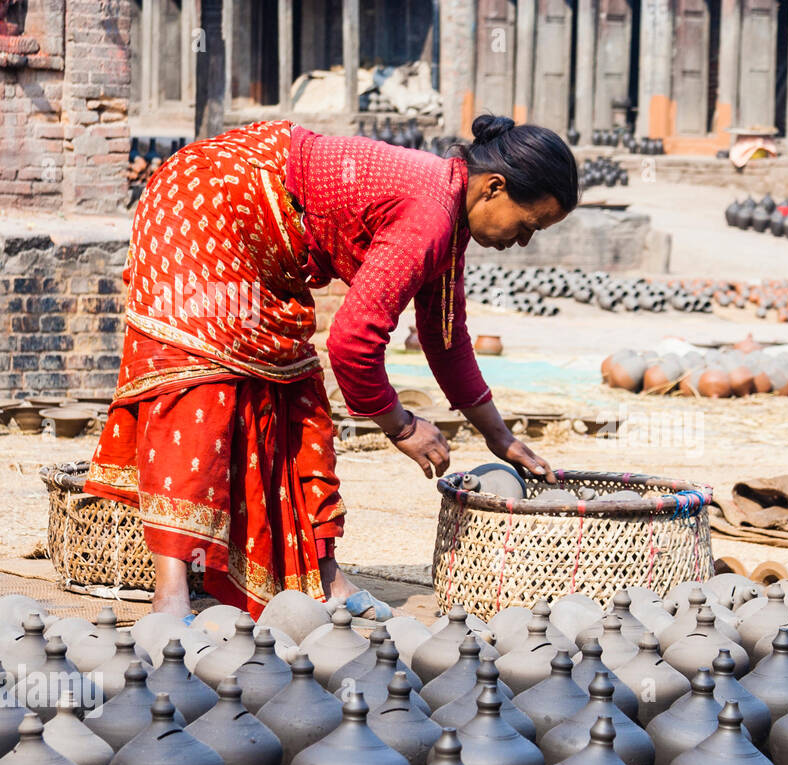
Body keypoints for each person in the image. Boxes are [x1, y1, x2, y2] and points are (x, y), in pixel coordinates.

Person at [86, 115, 578, 619]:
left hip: (262, 228)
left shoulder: (449, 220)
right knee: (202, 387)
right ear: (494, 188)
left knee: (296, 394)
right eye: (529, 225)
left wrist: (500, 438)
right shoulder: (430, 212)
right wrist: (401, 425)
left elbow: (445, 338)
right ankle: (171, 593)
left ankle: (323, 576)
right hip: (207, 202)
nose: (523, 242)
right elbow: (352, 342)